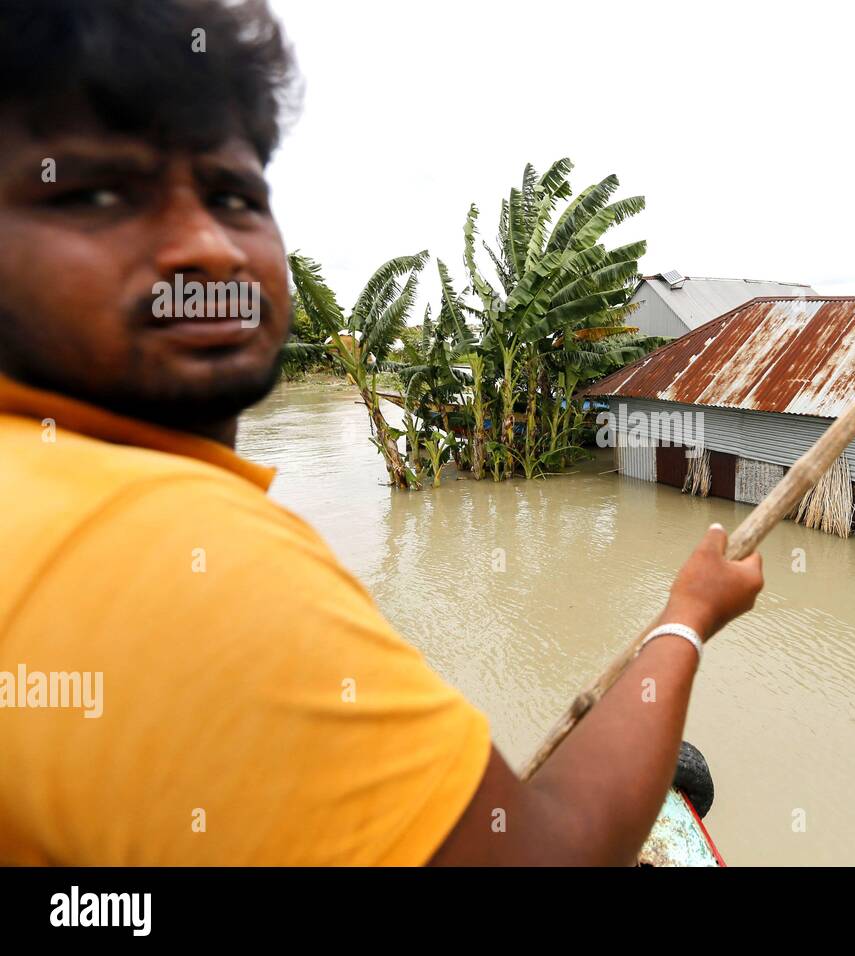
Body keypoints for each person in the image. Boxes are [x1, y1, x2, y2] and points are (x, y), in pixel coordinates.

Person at [0, 0, 764, 866]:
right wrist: (688, 616)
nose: (206, 249)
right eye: (97, 195)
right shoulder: (157, 545)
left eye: (233, 194)